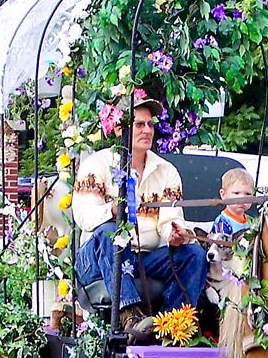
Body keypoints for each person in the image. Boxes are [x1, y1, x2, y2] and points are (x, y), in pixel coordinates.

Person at [72, 96, 207, 339]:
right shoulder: (97, 164)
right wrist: (114, 210)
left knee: (194, 255)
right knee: (110, 231)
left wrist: (174, 234)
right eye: (139, 125)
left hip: (143, 257)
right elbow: (84, 216)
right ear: (119, 129)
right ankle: (130, 316)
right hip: (97, 256)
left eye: (150, 125)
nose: (147, 130)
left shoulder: (166, 171)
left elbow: (169, 219)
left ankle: (171, 327)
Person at [210, 168, 255, 240]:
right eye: (236, 193)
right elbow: (220, 248)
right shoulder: (222, 222)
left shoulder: (252, 222)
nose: (242, 198)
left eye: (248, 194)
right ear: (223, 194)